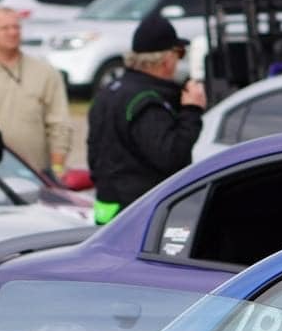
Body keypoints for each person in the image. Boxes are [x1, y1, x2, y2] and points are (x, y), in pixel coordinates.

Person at [85, 14, 207, 225]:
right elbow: (171, 156)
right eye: (179, 53)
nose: (179, 61)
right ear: (167, 59)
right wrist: (192, 111)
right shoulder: (145, 101)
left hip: (107, 207)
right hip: (140, 214)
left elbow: (94, 152)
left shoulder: (109, 91)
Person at [0, 6, 72, 173]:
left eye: (16, 27)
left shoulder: (45, 73)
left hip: (35, 171)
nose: (12, 32)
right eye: (5, 28)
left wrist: (58, 166)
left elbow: (59, 123)